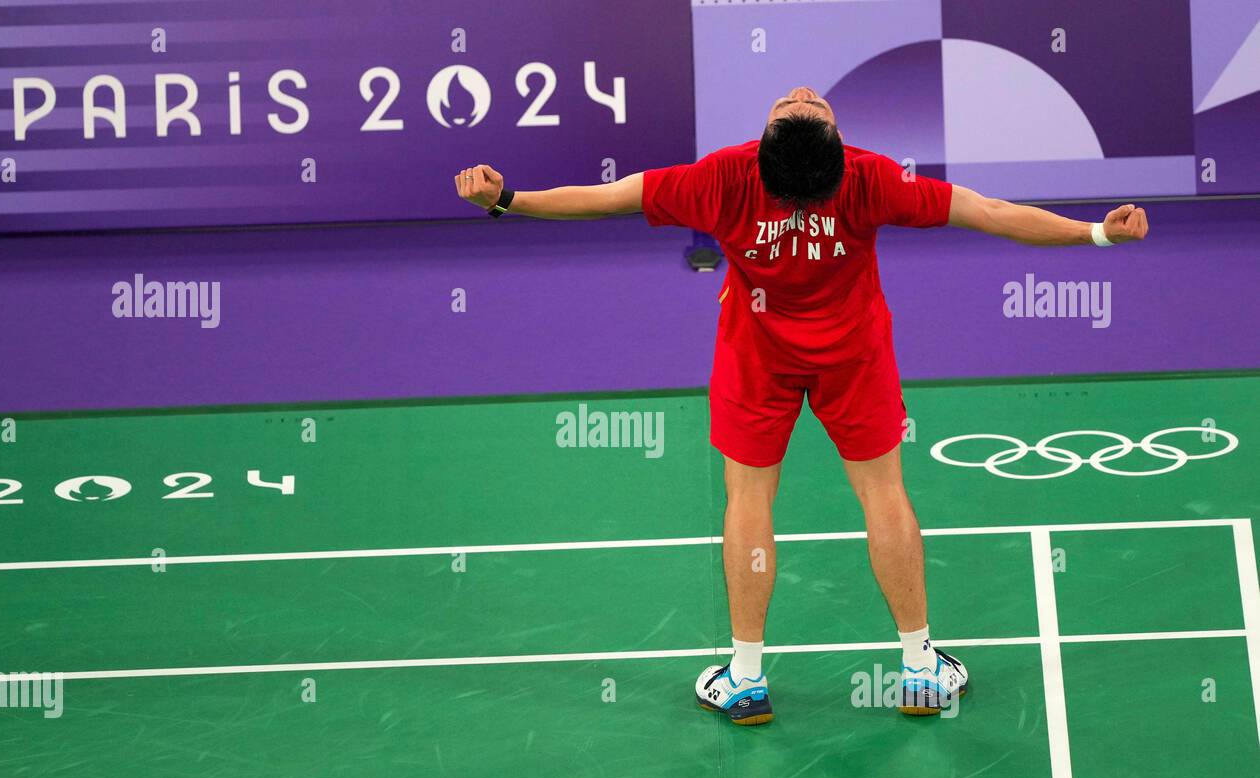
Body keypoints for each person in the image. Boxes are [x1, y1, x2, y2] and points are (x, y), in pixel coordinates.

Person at [454, 85, 1149, 726]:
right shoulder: (871, 176)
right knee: (883, 495)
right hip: (854, 356)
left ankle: (748, 679)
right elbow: (990, 214)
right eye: (804, 110)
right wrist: (1095, 236)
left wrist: (506, 200)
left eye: (804, 110)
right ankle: (918, 668)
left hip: (757, 359)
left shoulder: (723, 176)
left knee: (750, 501)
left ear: (768, 151)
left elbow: (608, 198)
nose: (804, 95)